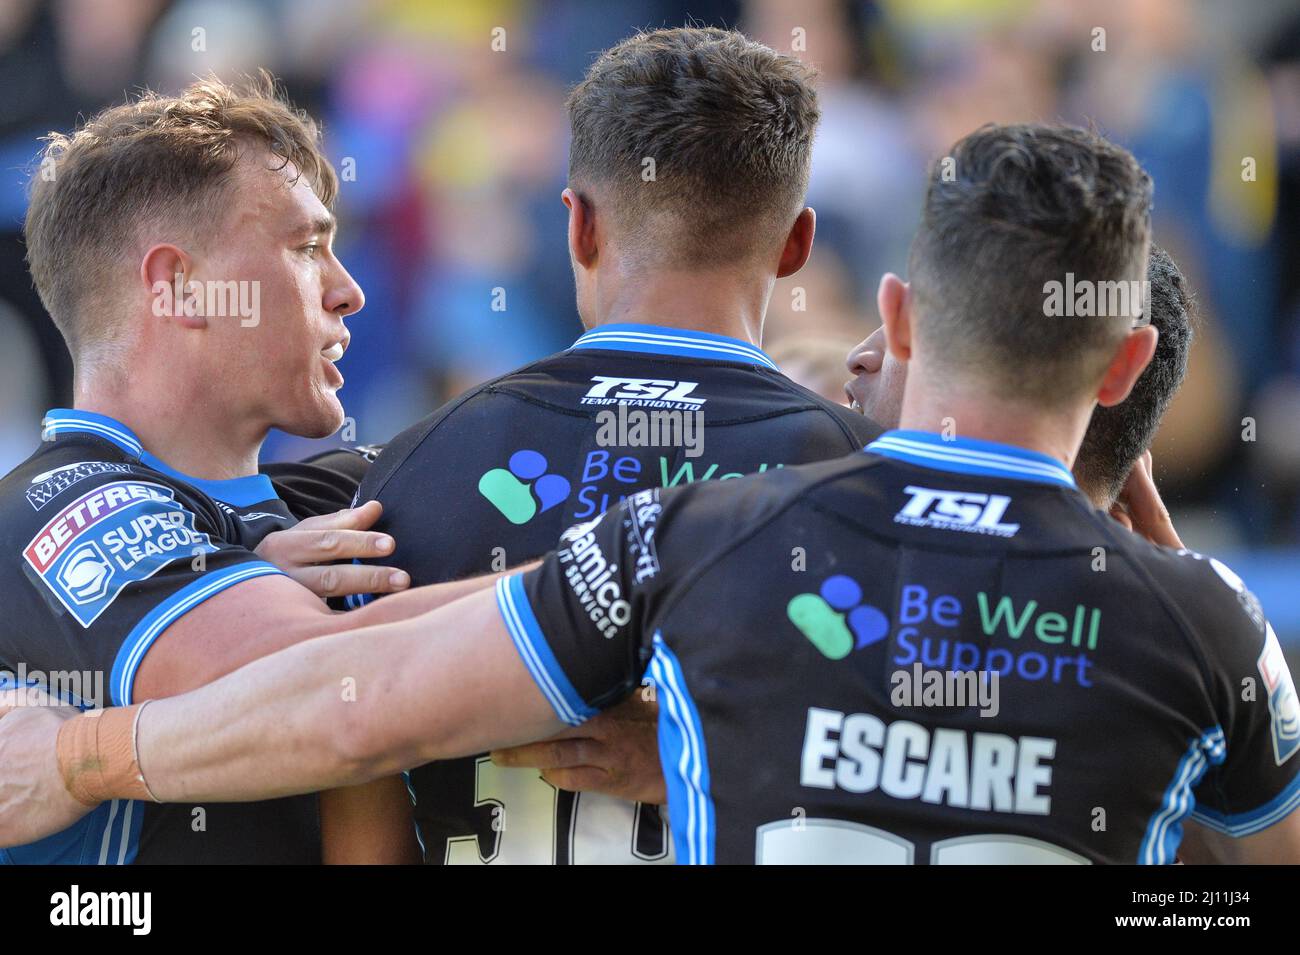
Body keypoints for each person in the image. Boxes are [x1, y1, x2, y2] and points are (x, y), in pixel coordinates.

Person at [7, 123, 1298, 865]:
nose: (350, 288)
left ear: (898, 314)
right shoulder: (1210, 626)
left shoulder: (718, 544)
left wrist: (77, 752)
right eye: (308, 249)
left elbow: (355, 706)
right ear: (1127, 370)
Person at [328, 26, 880, 865]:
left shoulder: (414, 464)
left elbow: (354, 808)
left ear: (578, 225)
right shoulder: (876, 480)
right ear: (798, 243)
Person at [0, 74, 499, 863]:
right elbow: (341, 695)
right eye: (306, 248)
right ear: (179, 285)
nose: (350, 291)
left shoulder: (328, 499)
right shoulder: (56, 512)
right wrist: (640, 570)